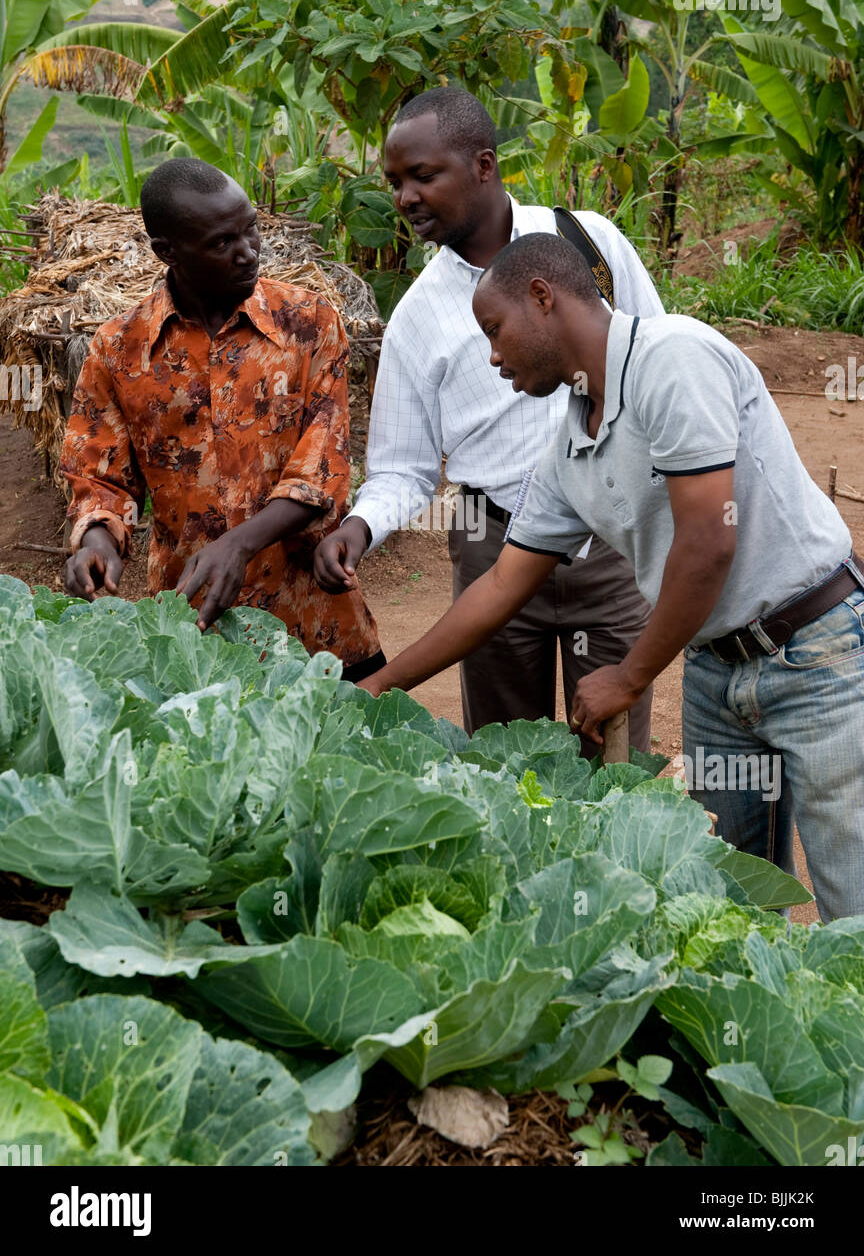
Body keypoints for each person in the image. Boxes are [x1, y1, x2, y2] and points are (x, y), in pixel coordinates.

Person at [358, 232, 864, 923]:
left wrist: (629, 675)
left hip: (818, 655)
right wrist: (382, 684)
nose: (492, 355)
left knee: (853, 897)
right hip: (717, 675)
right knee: (736, 906)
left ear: (543, 297)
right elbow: (501, 587)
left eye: (495, 330)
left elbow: (710, 540)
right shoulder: (569, 447)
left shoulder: (672, 357)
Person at [314, 87, 663, 752]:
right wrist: (358, 528)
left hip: (612, 544)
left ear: (483, 165)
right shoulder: (417, 318)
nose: (405, 198)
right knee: (506, 764)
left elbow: (651, 362)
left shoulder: (587, 244)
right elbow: (402, 472)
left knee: (616, 761)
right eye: (394, 183)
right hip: (493, 549)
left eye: (423, 176)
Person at [60, 157, 384, 681]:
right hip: (193, 637)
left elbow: (321, 470)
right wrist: (97, 546)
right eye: (221, 242)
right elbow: (99, 479)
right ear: (167, 251)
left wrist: (238, 543)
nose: (248, 252)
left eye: (250, 228)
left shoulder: (309, 325)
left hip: (315, 628)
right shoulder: (118, 350)